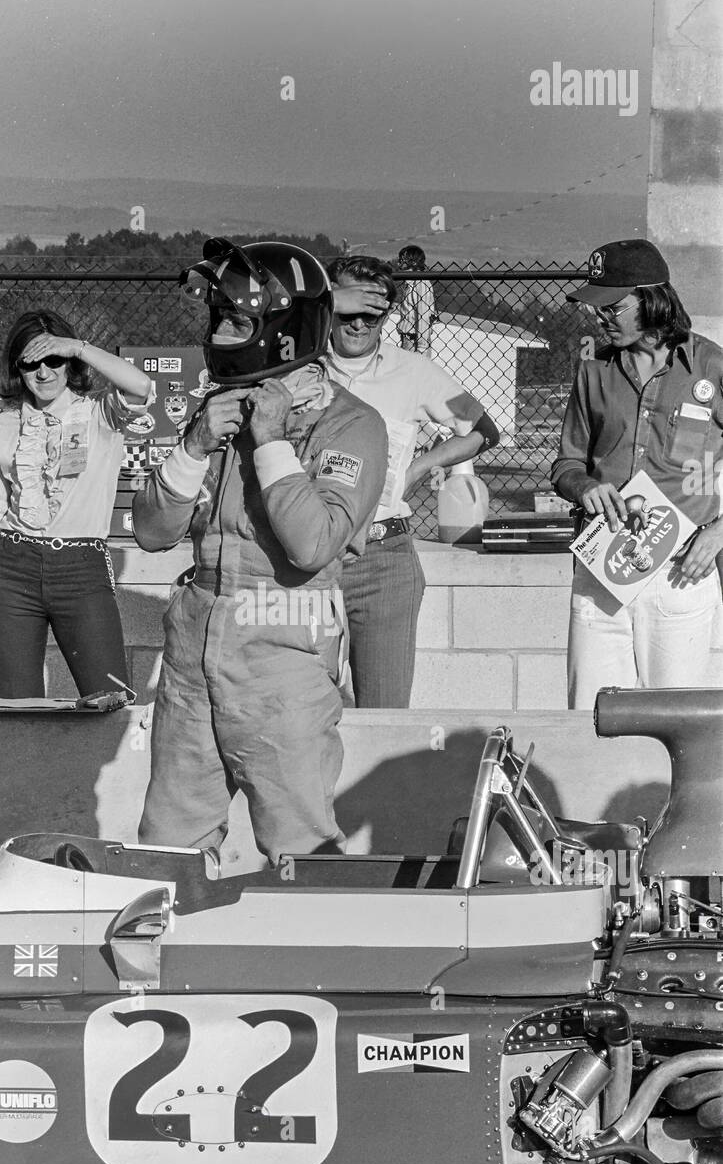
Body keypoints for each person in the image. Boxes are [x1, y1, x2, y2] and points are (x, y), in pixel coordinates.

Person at [133, 238, 387, 865]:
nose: (222, 331)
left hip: (284, 659)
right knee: (169, 844)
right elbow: (152, 532)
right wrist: (192, 446)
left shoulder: (349, 423)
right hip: (192, 659)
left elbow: (312, 544)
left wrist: (270, 442)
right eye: (218, 316)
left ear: (283, 328)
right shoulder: (215, 411)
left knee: (298, 845)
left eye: (237, 319)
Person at [552, 238, 723, 709]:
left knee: (673, 721)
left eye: (613, 306)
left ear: (652, 299)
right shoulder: (593, 371)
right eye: (597, 307)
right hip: (600, 570)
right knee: (597, 714)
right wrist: (585, 486)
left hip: (681, 573)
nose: (601, 317)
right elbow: (566, 464)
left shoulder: (712, 366)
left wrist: (720, 532)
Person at [326, 255, 500, 707]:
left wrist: (420, 468)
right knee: (304, 711)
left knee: (383, 711)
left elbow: (484, 429)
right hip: (308, 557)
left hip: (383, 560)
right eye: (349, 309)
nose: (360, 323)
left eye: (374, 313)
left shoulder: (416, 371)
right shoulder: (301, 368)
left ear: (390, 315)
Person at [0, 310, 153, 697]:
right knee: (15, 707)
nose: (44, 373)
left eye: (54, 360)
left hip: (81, 571)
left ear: (70, 363)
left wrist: (77, 346)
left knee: (110, 697)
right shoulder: (6, 424)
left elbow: (142, 387)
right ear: (18, 368)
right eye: (32, 363)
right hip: (10, 572)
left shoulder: (100, 411)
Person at [394, 244, 439, 353]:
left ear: (413, 262)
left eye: (403, 260)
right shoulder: (409, 283)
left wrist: (421, 347)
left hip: (414, 341)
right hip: (408, 339)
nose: (399, 264)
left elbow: (424, 315)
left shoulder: (420, 283)